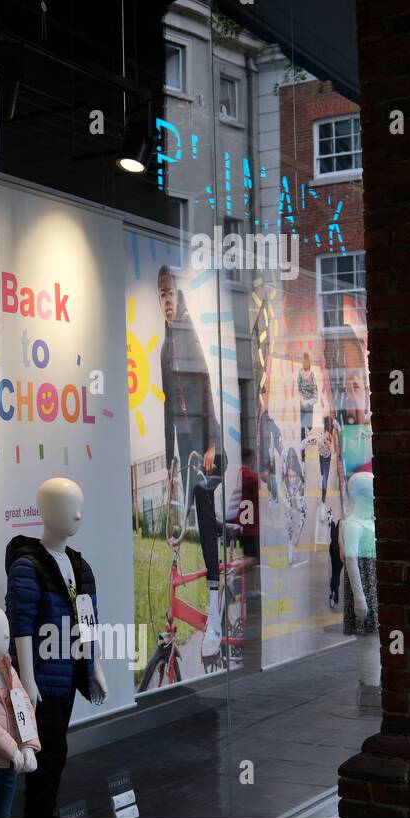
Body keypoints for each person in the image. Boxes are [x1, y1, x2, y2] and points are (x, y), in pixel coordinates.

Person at [156, 264, 225, 659]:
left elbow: (206, 388)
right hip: (184, 449)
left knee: (203, 516)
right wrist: (169, 466)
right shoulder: (164, 348)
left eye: (171, 293)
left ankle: (213, 610)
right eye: (161, 294)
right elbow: (168, 408)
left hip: (205, 447)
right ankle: (181, 613)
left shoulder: (188, 335)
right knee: (185, 523)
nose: (167, 300)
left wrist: (212, 441)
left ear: (180, 296)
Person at [297, 352, 318, 443]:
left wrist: (309, 401)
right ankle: (304, 439)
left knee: (307, 424)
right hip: (305, 402)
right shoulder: (301, 373)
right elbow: (299, 387)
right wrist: (303, 399)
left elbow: (314, 391)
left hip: (308, 402)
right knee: (305, 423)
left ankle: (305, 439)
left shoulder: (311, 375)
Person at [318, 415, 337, 505]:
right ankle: (321, 478)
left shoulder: (330, 434)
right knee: (322, 471)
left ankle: (323, 499)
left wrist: (326, 441)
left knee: (325, 479)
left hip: (326, 458)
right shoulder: (324, 432)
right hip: (321, 455)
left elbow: (331, 447)